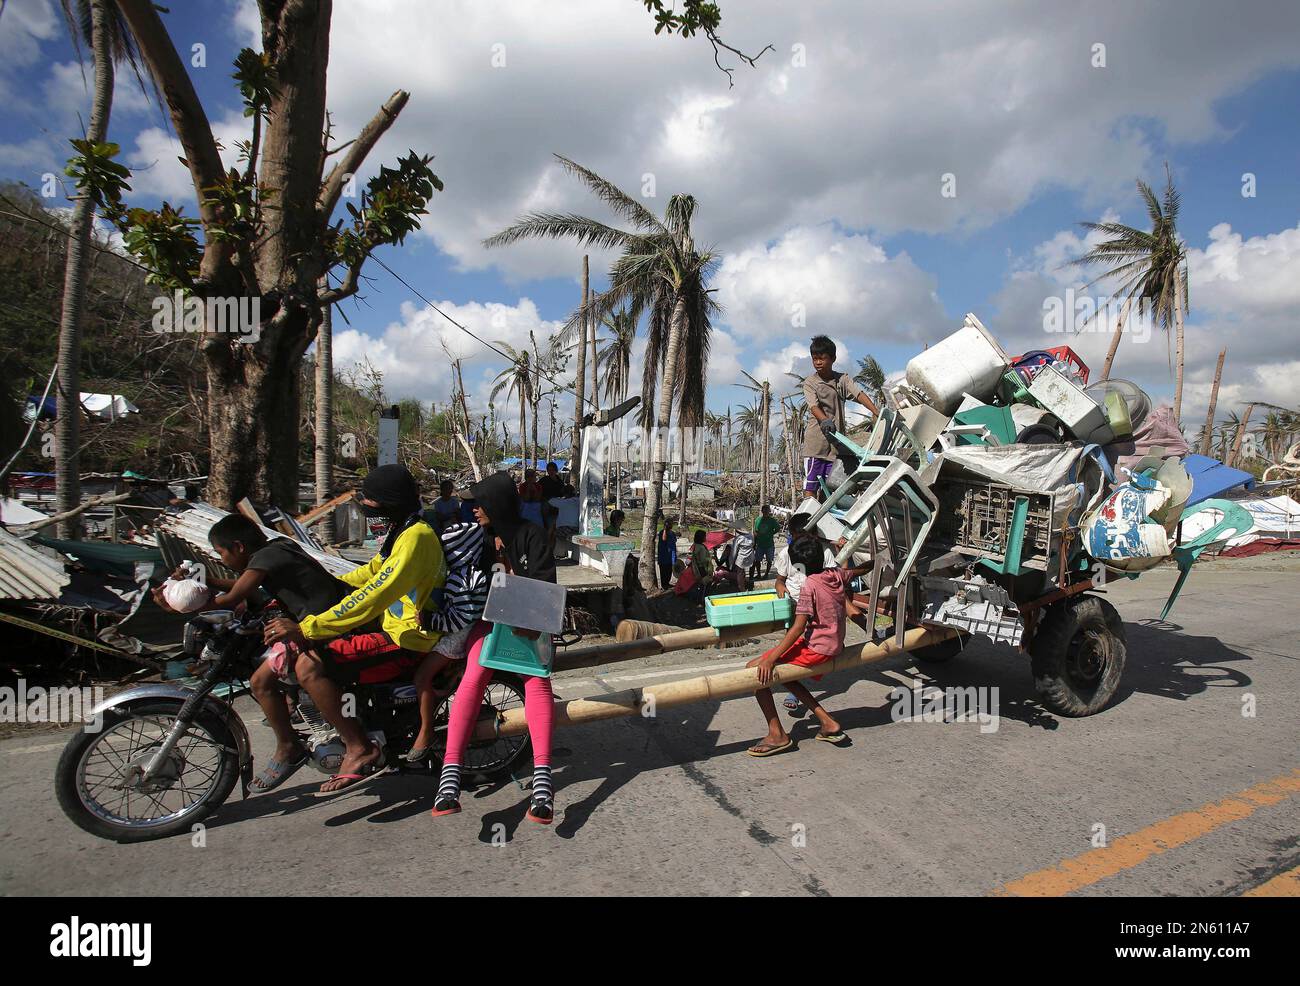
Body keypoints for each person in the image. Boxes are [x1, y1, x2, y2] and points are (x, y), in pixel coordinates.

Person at [263, 464, 447, 794]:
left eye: (372, 500)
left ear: (389, 501)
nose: (366, 505)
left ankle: (359, 746)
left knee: (309, 666)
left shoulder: (416, 536)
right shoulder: (401, 530)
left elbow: (377, 594)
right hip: (391, 625)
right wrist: (324, 589)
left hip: (407, 636)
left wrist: (310, 627)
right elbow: (368, 574)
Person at [152, 514, 352, 793]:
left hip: (323, 628)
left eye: (221, 552)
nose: (221, 558)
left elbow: (233, 597)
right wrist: (201, 580)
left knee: (261, 682)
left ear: (239, 547)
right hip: (321, 623)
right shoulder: (278, 546)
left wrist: (179, 603)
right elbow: (243, 587)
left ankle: (291, 747)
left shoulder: (267, 557)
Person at [434, 471, 559, 825]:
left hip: (527, 624)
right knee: (473, 677)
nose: (473, 510)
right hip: (488, 626)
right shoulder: (479, 539)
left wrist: (527, 618)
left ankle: (543, 780)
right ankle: (450, 777)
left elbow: (546, 586)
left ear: (496, 503)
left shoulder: (530, 535)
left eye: (480, 504)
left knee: (537, 682)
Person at [745, 536, 847, 756]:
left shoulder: (808, 585)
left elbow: (798, 627)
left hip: (817, 648)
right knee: (786, 675)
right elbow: (855, 571)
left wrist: (770, 659)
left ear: (797, 564)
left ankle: (777, 735)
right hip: (834, 643)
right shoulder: (835, 574)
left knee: (755, 671)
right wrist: (844, 551)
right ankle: (827, 721)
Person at [406, 520, 490, 762]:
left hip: (456, 638)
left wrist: (430, 620)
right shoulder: (473, 573)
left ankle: (426, 731)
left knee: (421, 676)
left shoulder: (458, 578)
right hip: (468, 632)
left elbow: (460, 618)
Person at [801, 335, 880, 499]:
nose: (818, 363)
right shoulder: (810, 382)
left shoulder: (841, 380)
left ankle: (825, 521)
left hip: (836, 447)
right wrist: (825, 420)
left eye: (822, 358)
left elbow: (858, 394)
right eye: (814, 359)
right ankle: (808, 520)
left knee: (830, 488)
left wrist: (876, 411)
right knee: (811, 488)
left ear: (833, 358)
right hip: (816, 445)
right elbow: (813, 406)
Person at [751, 505, 780, 580]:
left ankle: (766, 574)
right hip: (760, 544)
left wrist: (771, 533)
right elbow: (755, 531)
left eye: (767, 510)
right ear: (762, 511)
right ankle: (759, 574)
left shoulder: (772, 520)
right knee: (757, 560)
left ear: (769, 511)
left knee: (769, 560)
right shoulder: (758, 520)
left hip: (769, 544)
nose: (766, 512)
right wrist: (754, 542)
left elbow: (777, 528)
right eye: (764, 510)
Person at [656, 516, 678, 588]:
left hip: (671, 554)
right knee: (663, 570)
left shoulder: (672, 533)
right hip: (664, 554)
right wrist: (665, 529)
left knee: (669, 570)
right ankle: (664, 584)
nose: (671, 525)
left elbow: (674, 540)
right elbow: (664, 539)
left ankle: (667, 583)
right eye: (670, 524)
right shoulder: (662, 532)